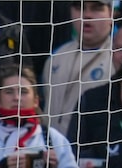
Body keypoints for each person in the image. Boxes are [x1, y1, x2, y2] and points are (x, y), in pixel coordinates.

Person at [42, 0, 115, 136]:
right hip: (50, 149)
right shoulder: (57, 56)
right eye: (80, 7)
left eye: (96, 8)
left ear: (111, 13)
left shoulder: (117, 58)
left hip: (91, 152)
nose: (87, 15)